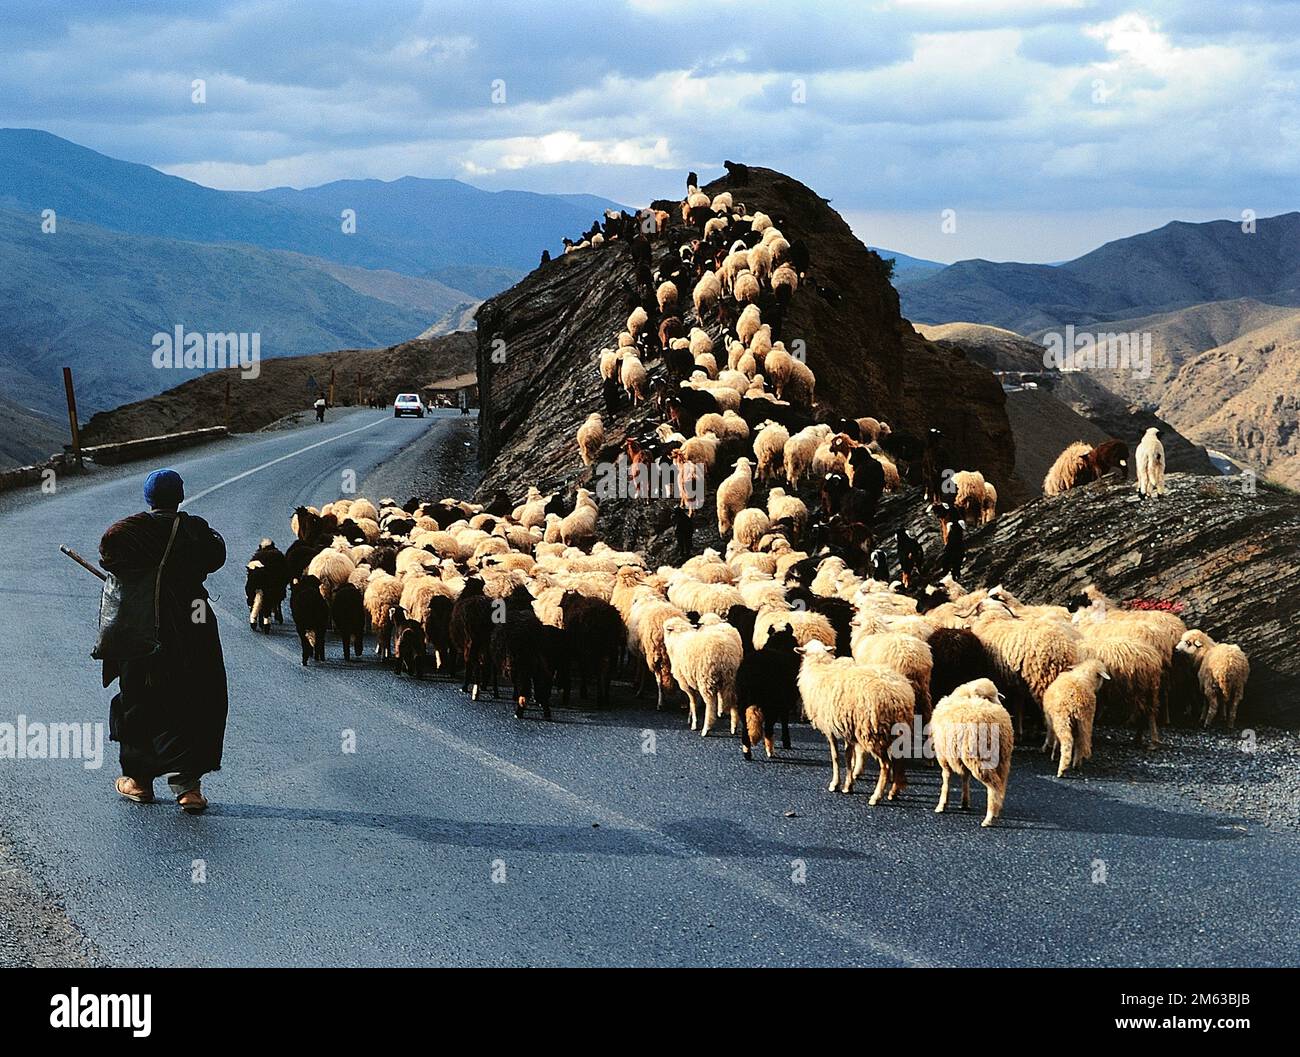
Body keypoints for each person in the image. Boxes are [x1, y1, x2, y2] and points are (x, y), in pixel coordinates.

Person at [100, 469, 228, 814]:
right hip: (192, 625)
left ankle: (139, 782)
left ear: (148, 499)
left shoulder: (129, 531)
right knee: (195, 699)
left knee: (139, 698)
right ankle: (189, 788)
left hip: (143, 628)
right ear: (180, 497)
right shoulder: (195, 530)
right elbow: (217, 557)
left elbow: (108, 554)